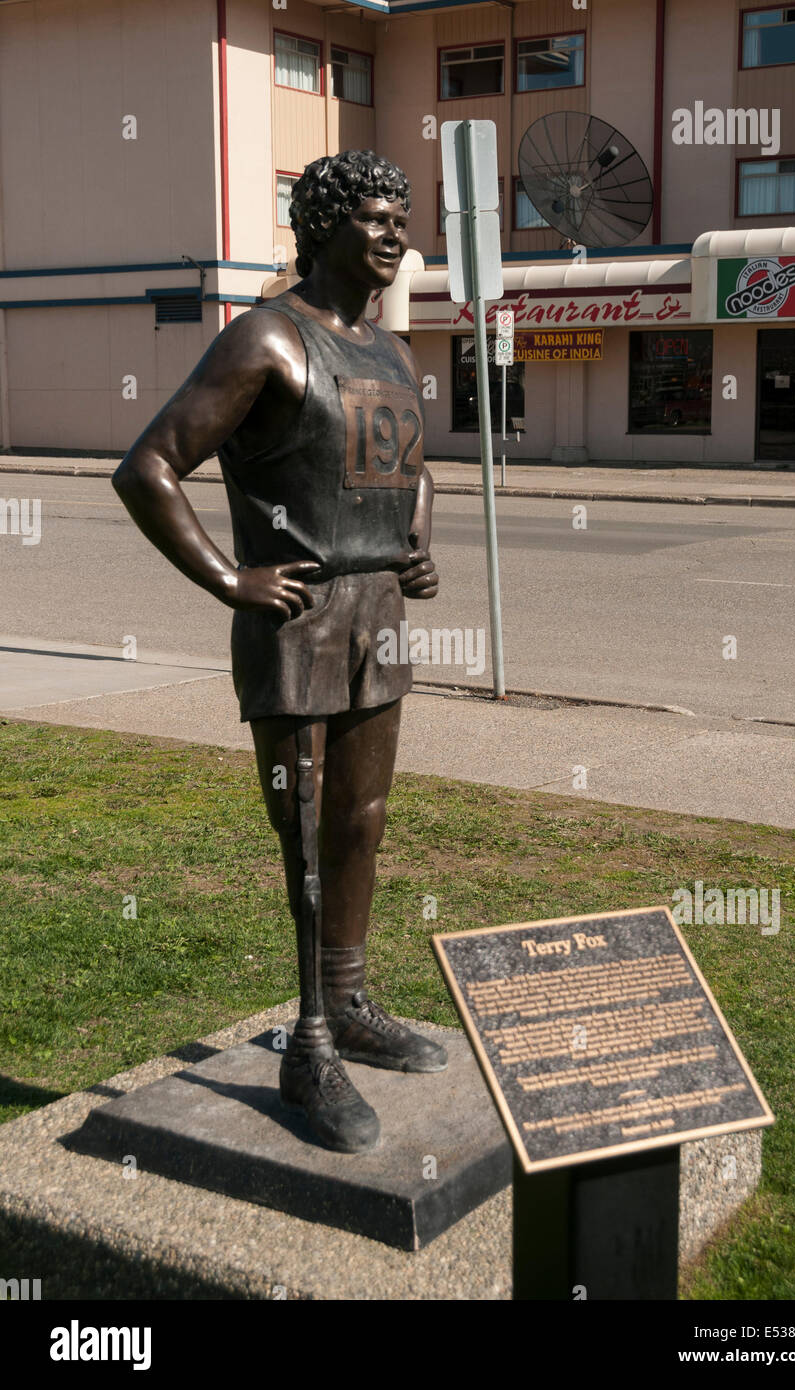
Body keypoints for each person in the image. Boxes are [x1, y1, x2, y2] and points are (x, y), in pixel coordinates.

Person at [112, 149, 446, 1156]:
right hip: (295, 623)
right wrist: (230, 579)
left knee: (361, 823)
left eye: (400, 220)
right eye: (376, 219)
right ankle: (308, 1043)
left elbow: (415, 467)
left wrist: (415, 541)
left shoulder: (391, 352)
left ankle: (347, 999)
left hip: (375, 613)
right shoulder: (265, 337)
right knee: (303, 836)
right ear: (325, 228)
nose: (393, 235)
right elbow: (148, 467)